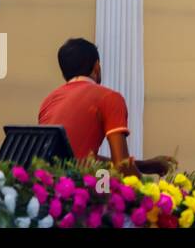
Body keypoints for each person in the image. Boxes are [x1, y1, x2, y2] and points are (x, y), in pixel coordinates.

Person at [38, 38, 173, 175]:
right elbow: (122, 166)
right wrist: (153, 193)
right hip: (80, 189)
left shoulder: (49, 101)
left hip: (47, 188)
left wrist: (146, 165)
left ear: (63, 72)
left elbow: (81, 159)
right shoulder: (109, 98)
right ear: (97, 66)